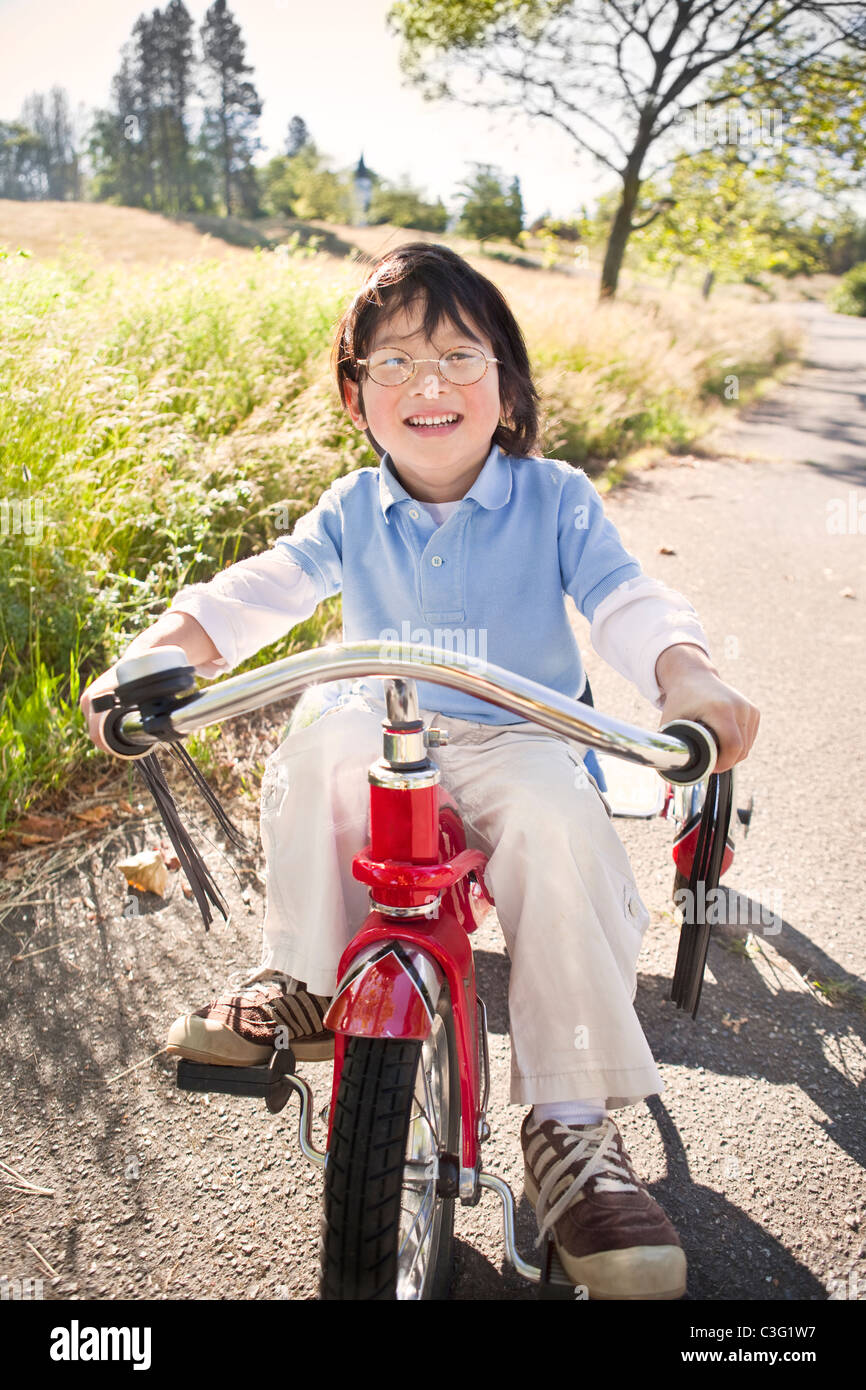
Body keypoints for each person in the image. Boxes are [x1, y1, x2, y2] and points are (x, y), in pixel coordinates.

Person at [81, 242, 759, 1299]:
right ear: (355, 399)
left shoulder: (555, 497)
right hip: (383, 724)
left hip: (516, 733)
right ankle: (304, 982)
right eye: (391, 363)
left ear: (506, 384)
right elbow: (261, 588)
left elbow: (629, 599)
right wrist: (161, 652)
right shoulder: (350, 509)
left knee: (550, 813)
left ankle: (570, 1125)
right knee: (320, 745)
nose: (427, 383)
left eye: (457, 355)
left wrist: (685, 676)